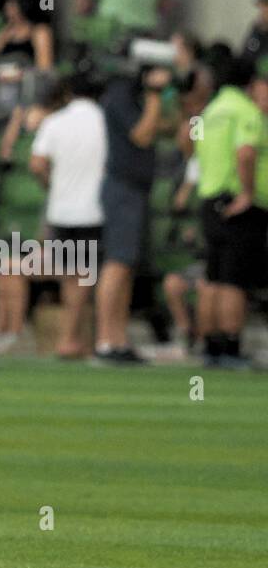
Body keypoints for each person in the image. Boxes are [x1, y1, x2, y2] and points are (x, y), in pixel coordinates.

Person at [192, 58, 268, 369]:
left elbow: (192, 145)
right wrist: (247, 193)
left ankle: (209, 346)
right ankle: (231, 348)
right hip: (237, 201)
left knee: (213, 276)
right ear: (250, 83)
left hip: (210, 199)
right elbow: (246, 152)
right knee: (234, 280)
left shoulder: (210, 112)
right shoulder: (245, 111)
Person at [96, 61, 173, 364]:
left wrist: (165, 95)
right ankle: (105, 340)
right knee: (117, 262)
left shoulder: (137, 97)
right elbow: (141, 135)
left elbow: (167, 126)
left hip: (135, 189)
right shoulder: (119, 95)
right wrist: (155, 94)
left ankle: (119, 340)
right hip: (122, 188)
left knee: (127, 265)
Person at [29, 73, 107, 358]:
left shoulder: (54, 121)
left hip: (62, 210)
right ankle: (81, 338)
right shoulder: (105, 122)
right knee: (90, 277)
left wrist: (52, 185)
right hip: (95, 210)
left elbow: (37, 164)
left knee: (71, 278)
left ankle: (71, 337)